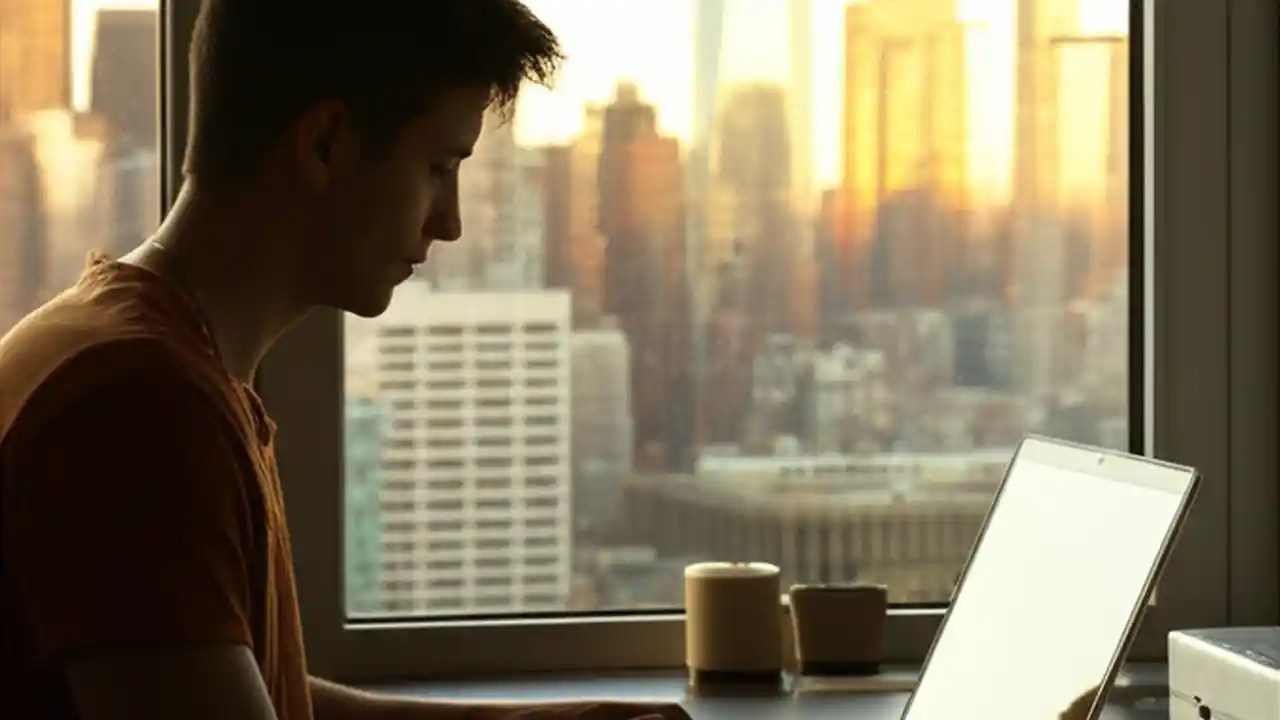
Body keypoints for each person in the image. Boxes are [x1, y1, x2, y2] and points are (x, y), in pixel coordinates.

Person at [0, 1, 689, 718]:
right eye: (437, 167)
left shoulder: (134, 355)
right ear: (325, 143)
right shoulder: (139, 411)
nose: (447, 222)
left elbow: (251, 692)